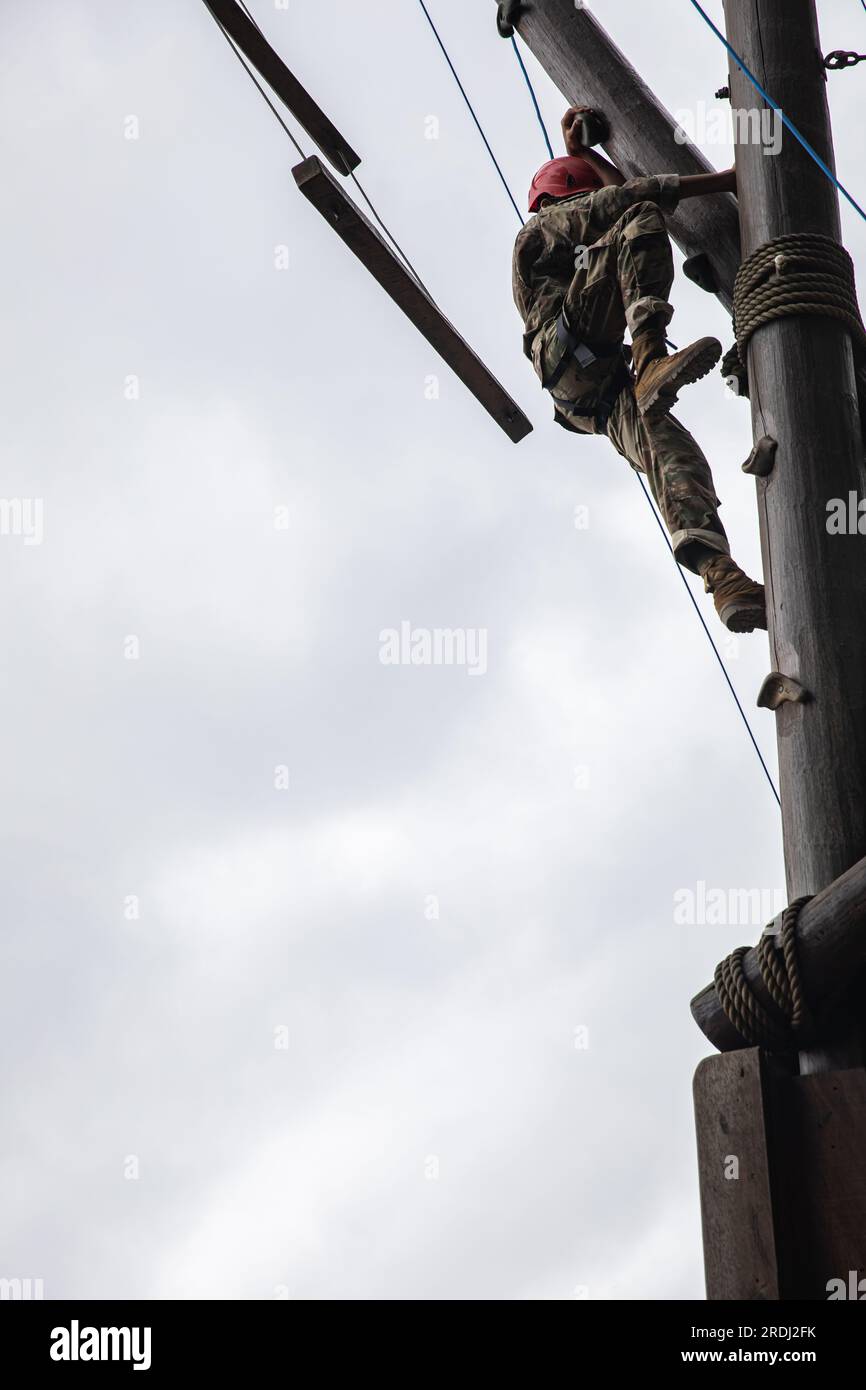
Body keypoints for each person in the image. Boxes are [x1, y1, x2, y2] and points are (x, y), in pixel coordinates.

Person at [512, 105, 766, 632]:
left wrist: (585, 155)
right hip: (573, 344)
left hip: (591, 391)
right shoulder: (540, 230)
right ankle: (650, 355)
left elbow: (614, 192)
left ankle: (723, 579)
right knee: (639, 222)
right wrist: (729, 181)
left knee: (673, 456)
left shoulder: (569, 236)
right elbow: (627, 199)